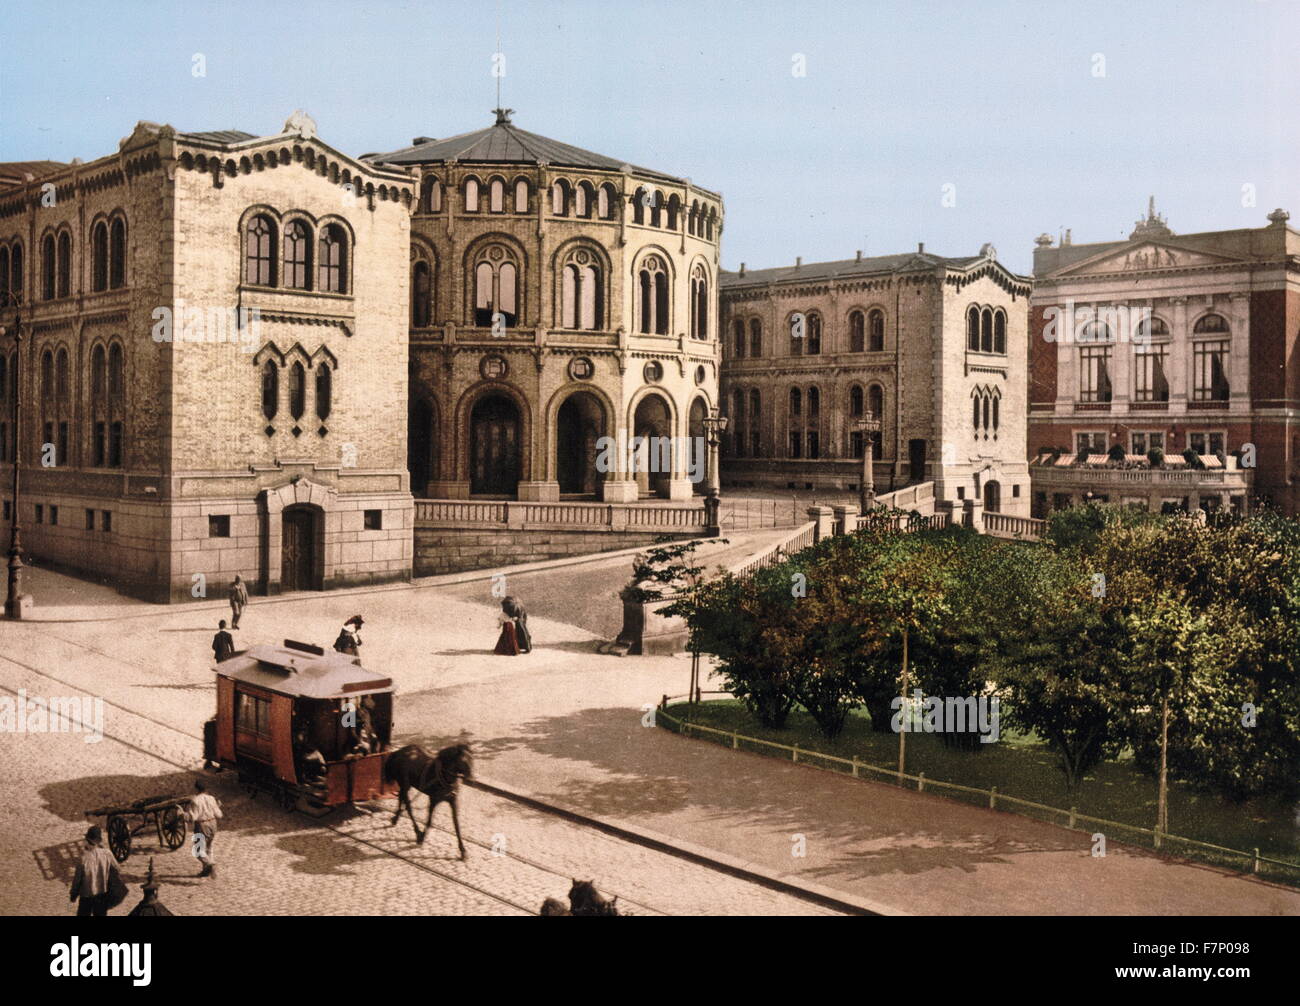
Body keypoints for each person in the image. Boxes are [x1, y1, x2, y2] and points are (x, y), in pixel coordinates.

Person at [70, 825, 125, 917]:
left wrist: (73, 894)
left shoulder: (83, 858)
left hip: (86, 896)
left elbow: (77, 879)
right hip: (102, 894)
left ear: (87, 840)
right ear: (98, 841)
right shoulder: (107, 853)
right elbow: (118, 869)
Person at [183, 779, 223, 879]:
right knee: (209, 847)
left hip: (202, 825)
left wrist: (183, 815)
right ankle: (206, 871)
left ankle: (210, 864)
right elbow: (219, 814)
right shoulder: (212, 798)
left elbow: (193, 817)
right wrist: (218, 806)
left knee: (198, 851)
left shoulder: (195, 800)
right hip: (213, 824)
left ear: (196, 788)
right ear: (206, 788)